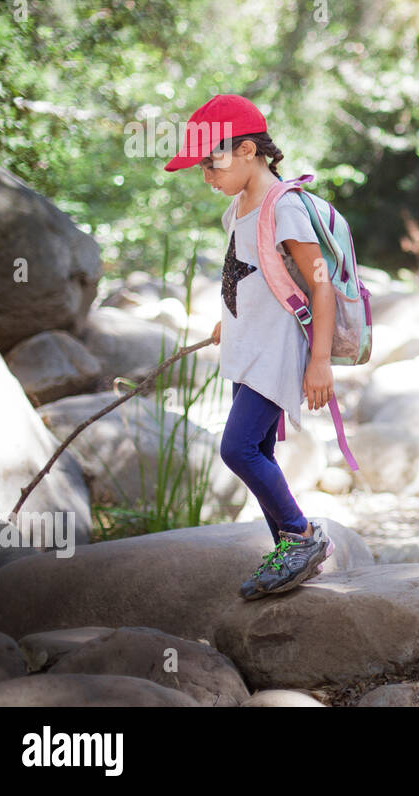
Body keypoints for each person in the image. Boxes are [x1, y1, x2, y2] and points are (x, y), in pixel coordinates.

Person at [164, 93, 335, 599]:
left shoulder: (285, 208)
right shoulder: (237, 209)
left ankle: (302, 536)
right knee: (257, 447)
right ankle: (287, 547)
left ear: (244, 151)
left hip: (277, 349)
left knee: (236, 448)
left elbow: (319, 283)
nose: (207, 177)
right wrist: (227, 321)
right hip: (247, 345)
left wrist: (320, 361)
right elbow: (246, 275)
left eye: (211, 163)